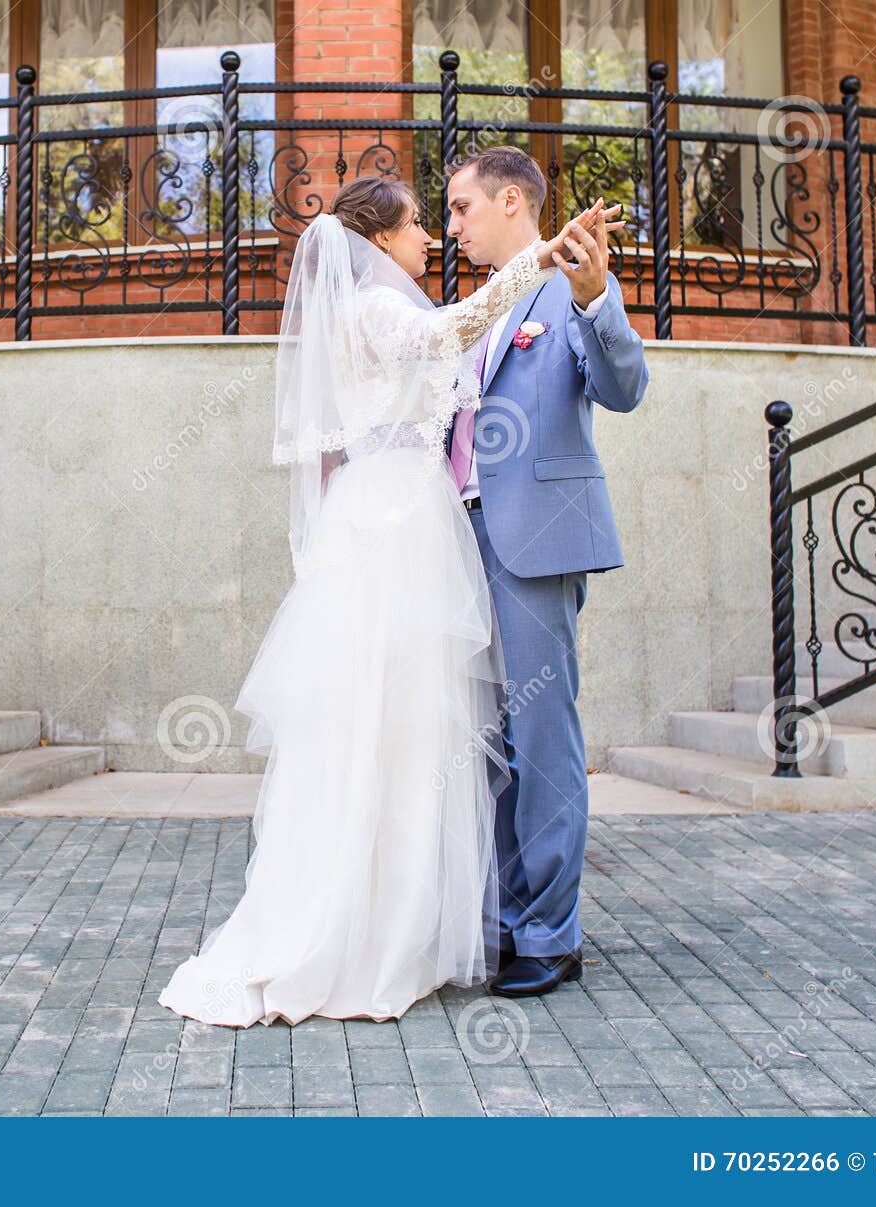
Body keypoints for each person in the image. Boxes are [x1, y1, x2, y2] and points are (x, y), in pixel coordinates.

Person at [157, 175, 611, 1026]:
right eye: (416, 225)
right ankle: (371, 930)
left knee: (418, 728)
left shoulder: (373, 315)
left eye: (446, 217)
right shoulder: (374, 311)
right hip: (399, 525)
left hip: (408, 521)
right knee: (388, 725)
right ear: (375, 241)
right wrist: (537, 261)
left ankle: (432, 921)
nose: (431, 237)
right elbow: (451, 329)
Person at [443, 145, 649, 997]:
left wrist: (599, 298)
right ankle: (501, 916)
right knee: (489, 741)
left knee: (542, 736)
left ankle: (551, 933)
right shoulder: (470, 309)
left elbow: (626, 386)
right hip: (460, 541)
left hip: (537, 540)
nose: (452, 224)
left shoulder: (572, 290)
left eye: (461, 207)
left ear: (512, 203)